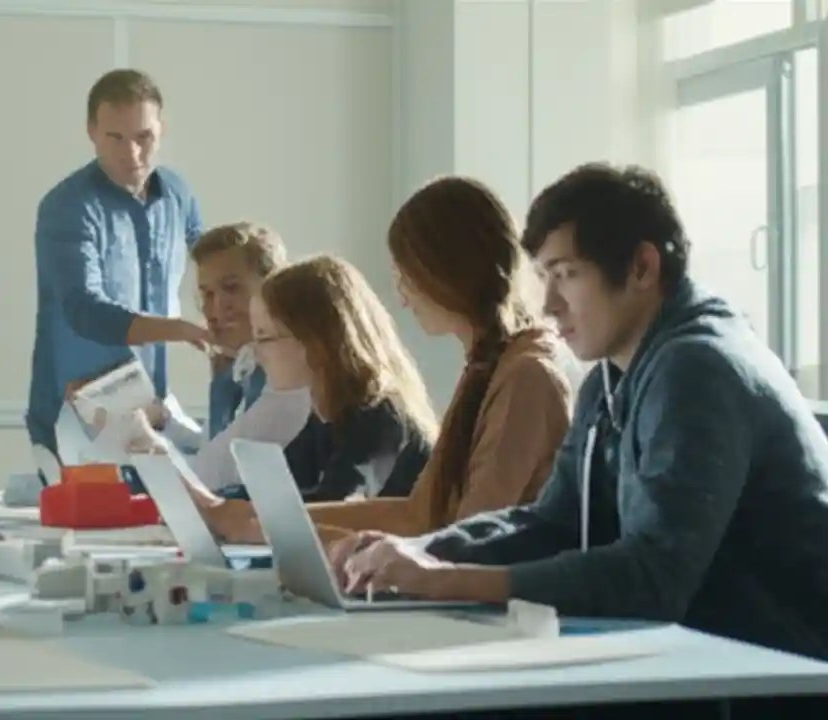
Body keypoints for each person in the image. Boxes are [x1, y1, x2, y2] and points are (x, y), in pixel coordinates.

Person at [338, 163, 828, 662]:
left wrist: (448, 581)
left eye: (567, 275)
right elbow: (555, 521)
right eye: (544, 277)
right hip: (706, 661)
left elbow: (654, 578)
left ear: (642, 267)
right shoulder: (612, 376)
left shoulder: (697, 369)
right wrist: (424, 551)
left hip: (784, 672)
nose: (549, 304)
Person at [303, 177, 574, 538]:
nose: (402, 298)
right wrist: (277, 526)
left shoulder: (525, 375)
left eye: (406, 278)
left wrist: (333, 542)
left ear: (444, 270)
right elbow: (421, 512)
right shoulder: (487, 364)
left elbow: (470, 534)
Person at [27, 68, 211, 458]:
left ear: (161, 129)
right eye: (116, 137)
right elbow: (84, 309)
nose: (132, 153)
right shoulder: (68, 207)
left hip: (150, 412)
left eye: (144, 137)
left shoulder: (178, 193)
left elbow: (214, 264)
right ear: (91, 131)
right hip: (77, 419)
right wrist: (179, 329)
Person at [186, 255, 438, 538]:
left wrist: (240, 519)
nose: (257, 354)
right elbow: (284, 491)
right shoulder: (322, 414)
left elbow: (335, 504)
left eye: (264, 338)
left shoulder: (381, 415)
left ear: (315, 342)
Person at [192, 222, 287, 438]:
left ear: (273, 286)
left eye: (231, 288)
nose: (217, 307)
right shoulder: (233, 370)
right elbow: (211, 448)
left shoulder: (289, 375)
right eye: (207, 294)